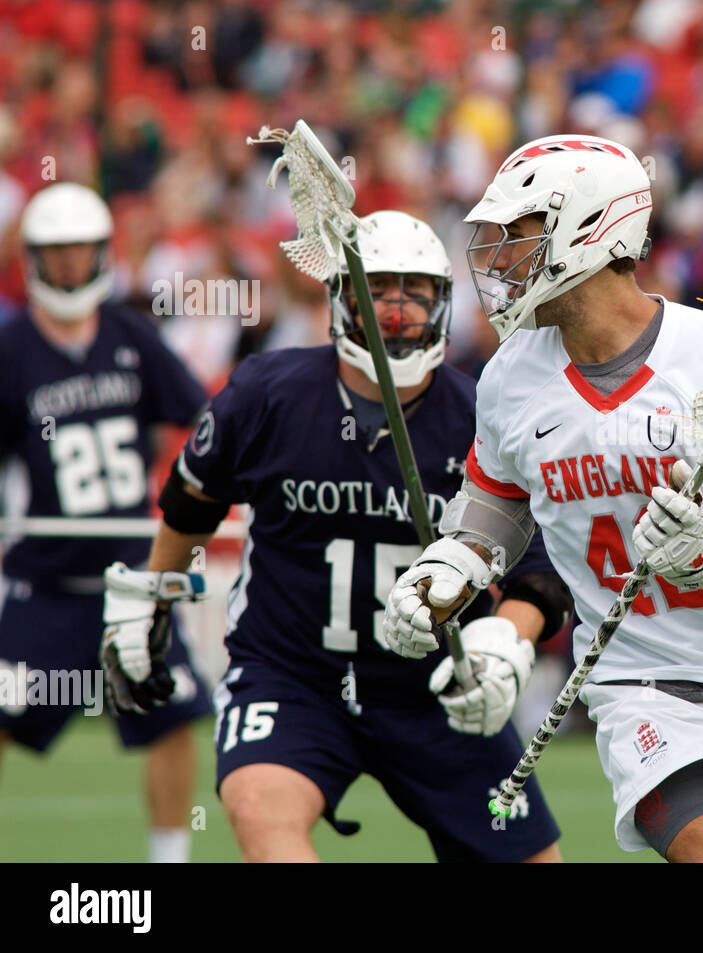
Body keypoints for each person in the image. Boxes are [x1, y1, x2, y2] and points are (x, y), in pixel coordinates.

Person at [382, 134, 703, 863]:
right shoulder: (509, 377)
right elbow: (498, 502)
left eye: (519, 234)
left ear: (589, 231)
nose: (498, 256)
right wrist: (452, 566)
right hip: (648, 687)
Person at [101, 210, 569, 862]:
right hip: (293, 677)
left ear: (442, 302)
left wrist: (504, 645)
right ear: (342, 297)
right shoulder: (269, 394)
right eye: (378, 288)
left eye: (416, 290)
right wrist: (148, 595)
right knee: (263, 814)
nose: (397, 307)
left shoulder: (483, 415)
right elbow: (191, 499)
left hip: (436, 688)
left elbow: (539, 574)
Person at [0, 182, 211, 862]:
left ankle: (169, 858)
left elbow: (202, 419)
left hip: (133, 584)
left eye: (79, 252)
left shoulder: (130, 334)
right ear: (34, 259)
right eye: (55, 255)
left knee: (174, 718)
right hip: (47, 585)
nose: (67, 267)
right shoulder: (11, 350)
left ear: (101, 255)